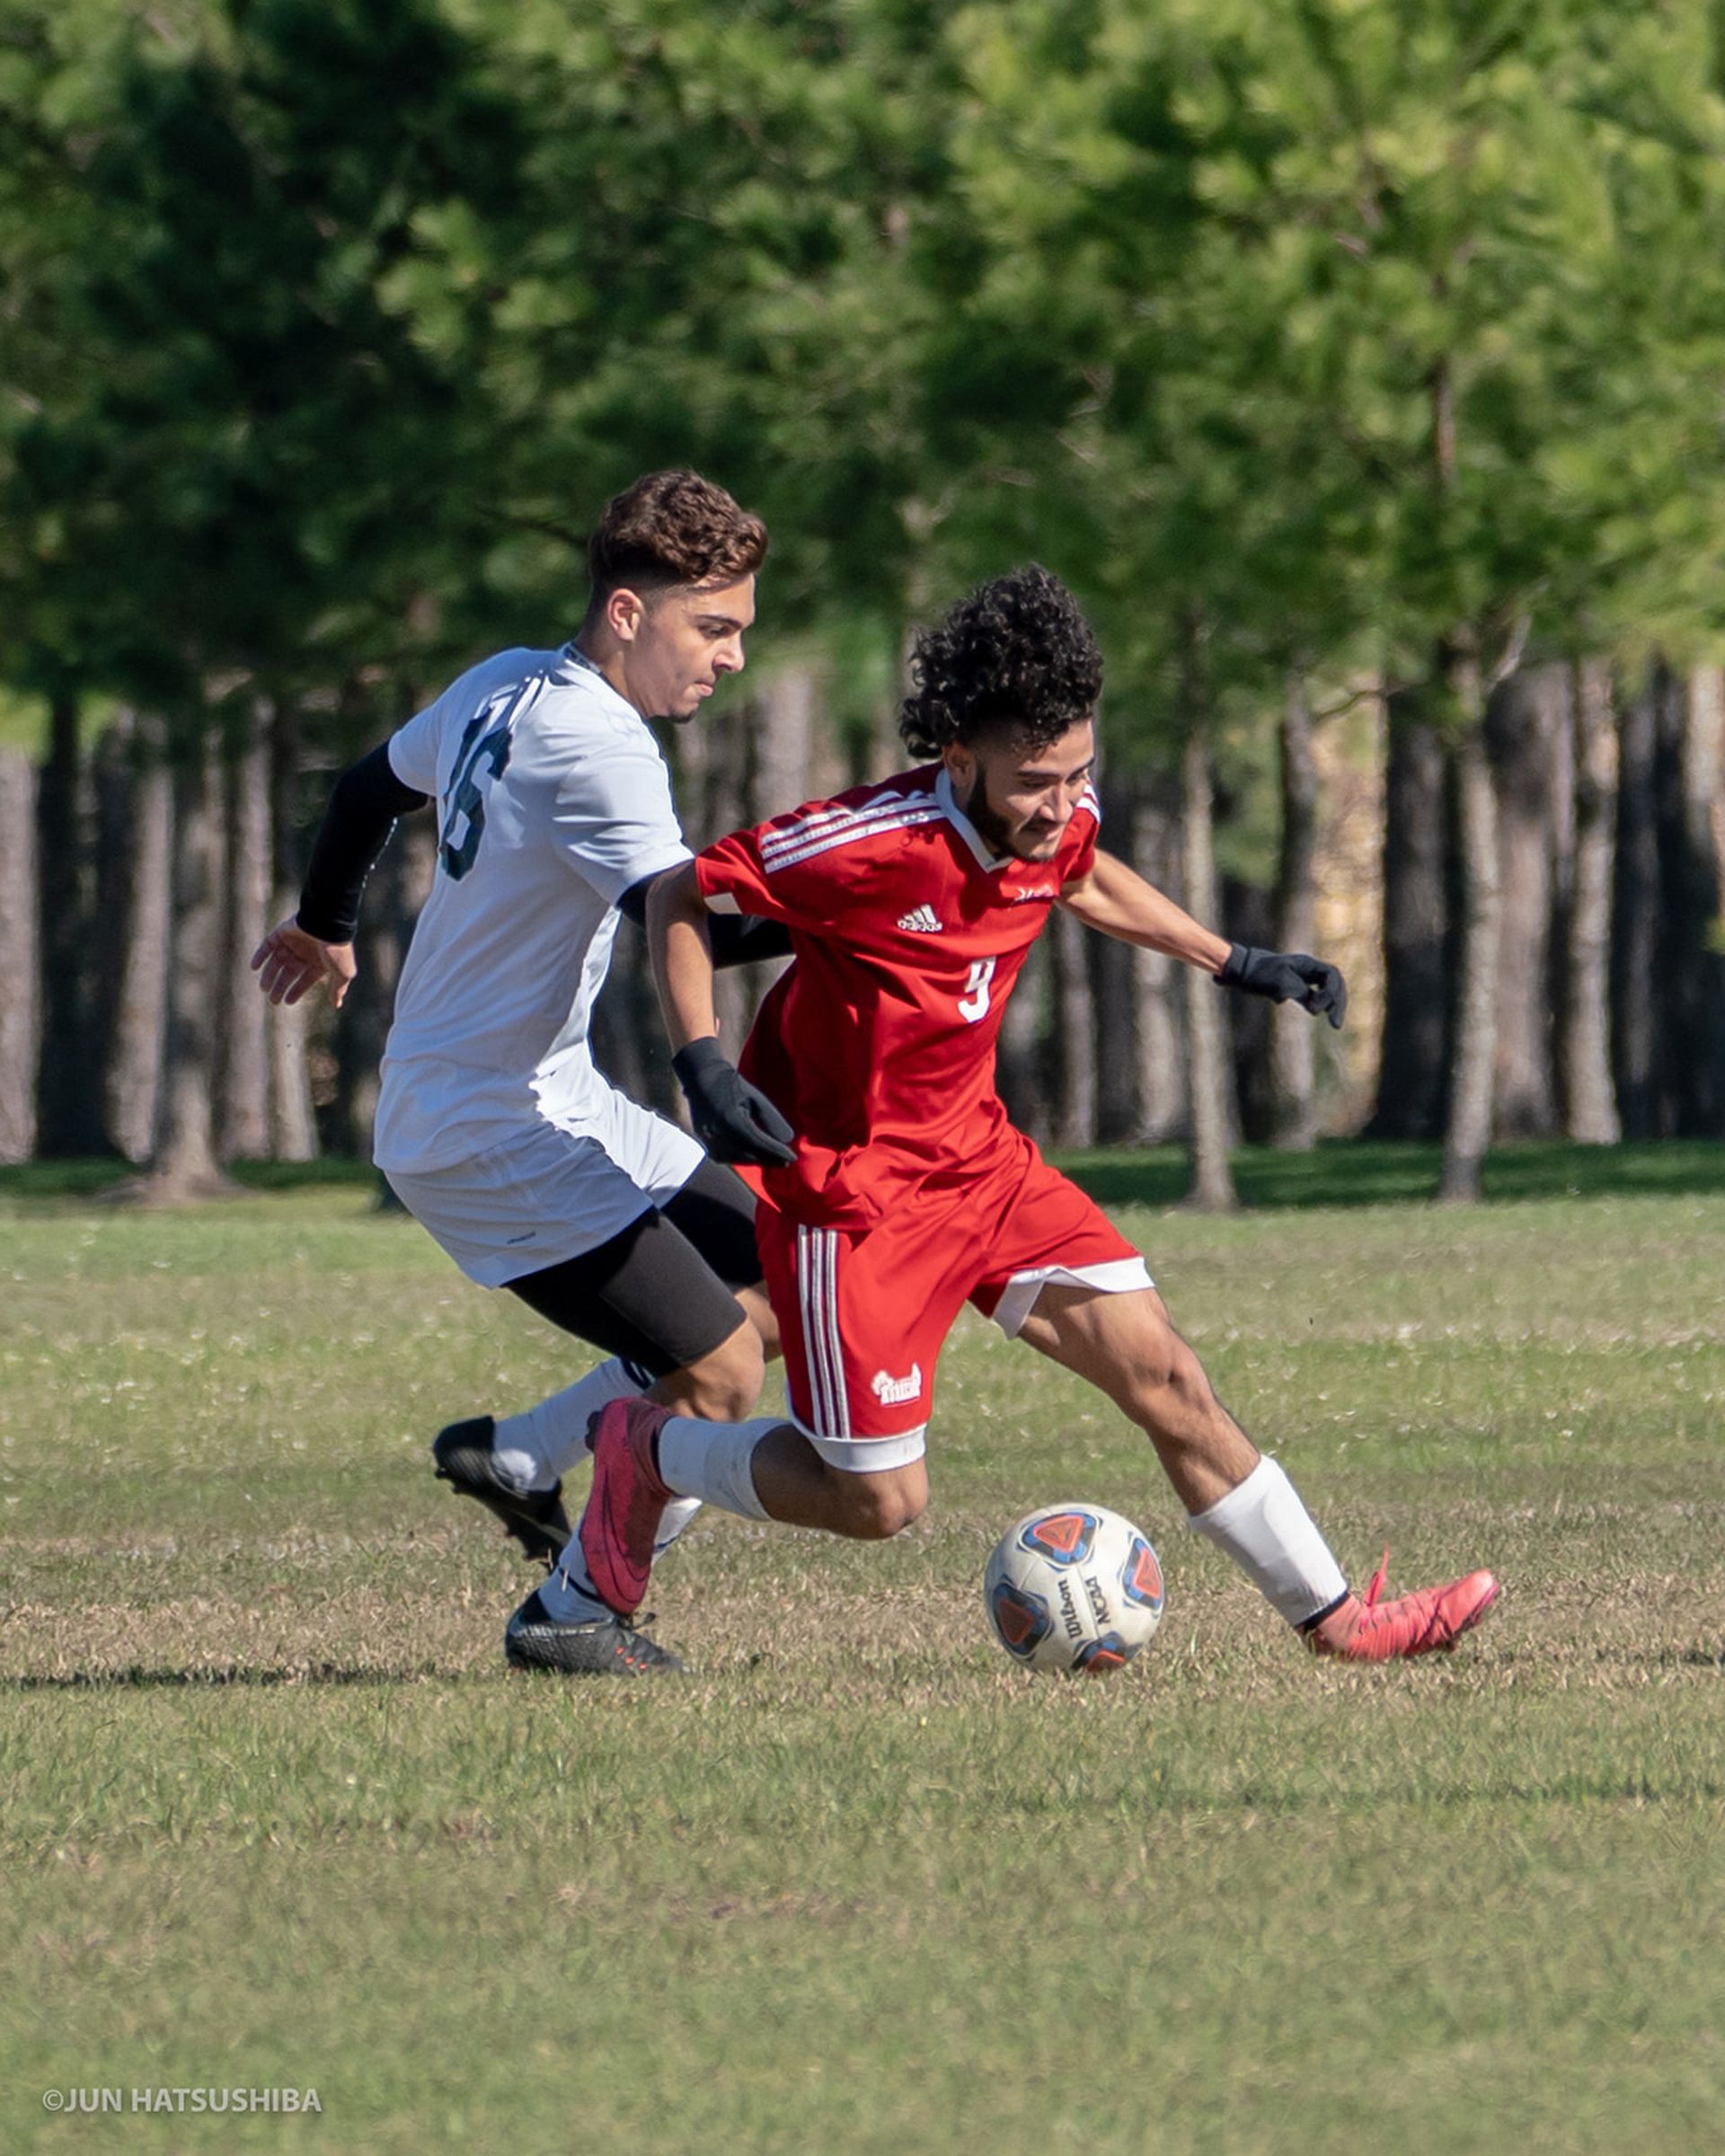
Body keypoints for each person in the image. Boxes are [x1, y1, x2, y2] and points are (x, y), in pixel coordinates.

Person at [523, 564, 1498, 1672]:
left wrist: (1235, 960)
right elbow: (681, 895)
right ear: (958, 762)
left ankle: (1339, 1623)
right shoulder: (870, 845)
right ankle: (646, 1450)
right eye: (1037, 781)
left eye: (1080, 772)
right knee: (878, 1502)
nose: (1063, 803)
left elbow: (1085, 878)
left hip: (986, 1170)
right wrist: (699, 1057)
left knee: (1167, 1374)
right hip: (857, 1203)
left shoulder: (1057, 823)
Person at [252, 469, 797, 1674]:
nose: (731, 660)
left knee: (784, 1291)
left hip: (548, 1100)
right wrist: (879, 910)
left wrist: (324, 920)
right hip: (485, 1131)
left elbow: (361, 792)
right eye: (714, 629)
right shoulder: (601, 746)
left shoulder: (504, 679)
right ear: (625, 614)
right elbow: (688, 924)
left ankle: (515, 1456)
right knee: (719, 1373)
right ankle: (574, 1609)